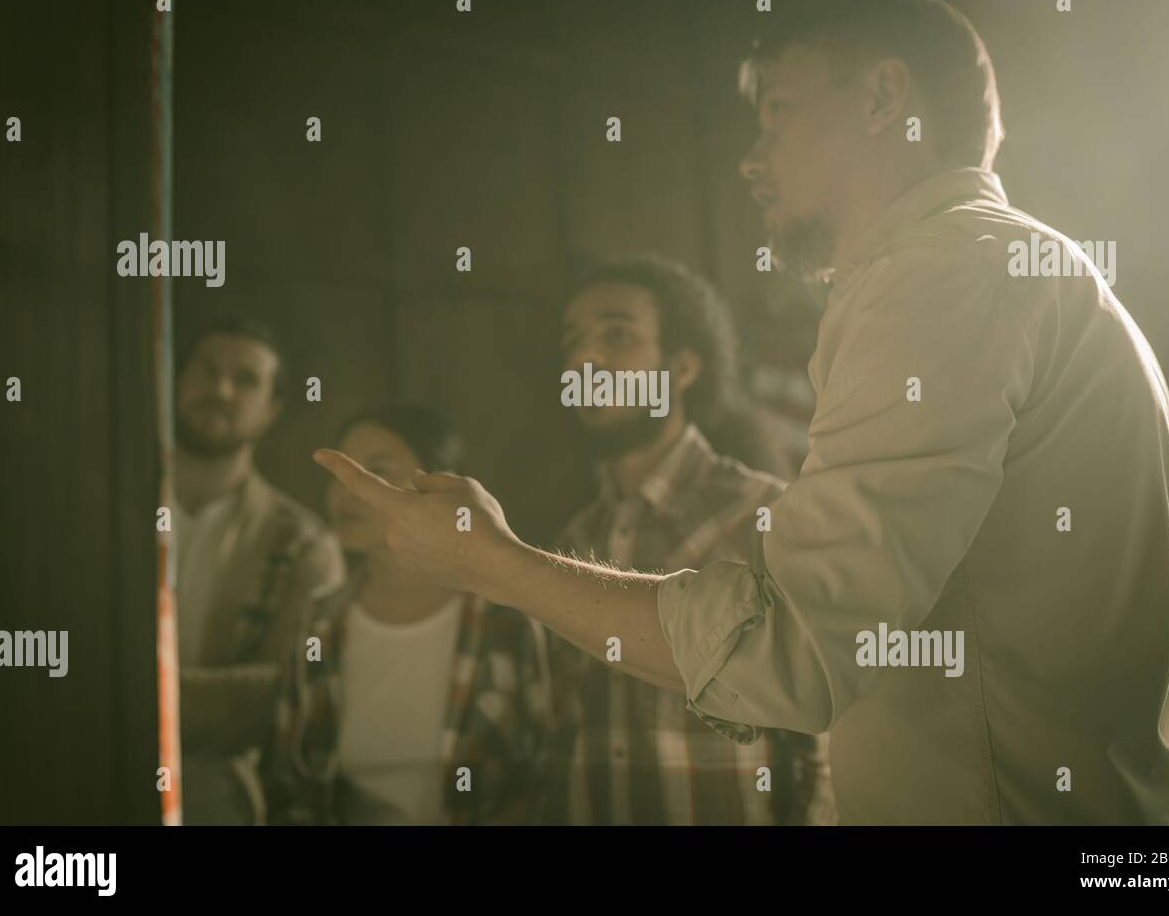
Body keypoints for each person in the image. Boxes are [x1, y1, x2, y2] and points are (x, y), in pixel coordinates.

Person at [313, 0, 1169, 824]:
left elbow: (792, 648)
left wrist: (493, 562)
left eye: (778, 110)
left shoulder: (941, 273)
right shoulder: (1012, 267)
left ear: (882, 98)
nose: (749, 159)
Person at [543, 256, 834, 825]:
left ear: (682, 366)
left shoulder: (765, 514)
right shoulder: (574, 538)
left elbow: (823, 737)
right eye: (572, 340)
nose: (584, 358)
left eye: (617, 335)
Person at [259, 405, 552, 825]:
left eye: (376, 471)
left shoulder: (505, 620)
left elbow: (539, 776)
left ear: (435, 486)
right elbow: (286, 780)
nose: (348, 491)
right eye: (339, 474)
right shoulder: (321, 623)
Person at [172, 317, 345, 824]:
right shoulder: (104, 515)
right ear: (177, 381)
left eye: (245, 379)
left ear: (271, 409)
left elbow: (287, 691)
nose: (220, 389)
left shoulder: (304, 544)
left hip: (219, 801)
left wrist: (131, 695)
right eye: (206, 371)